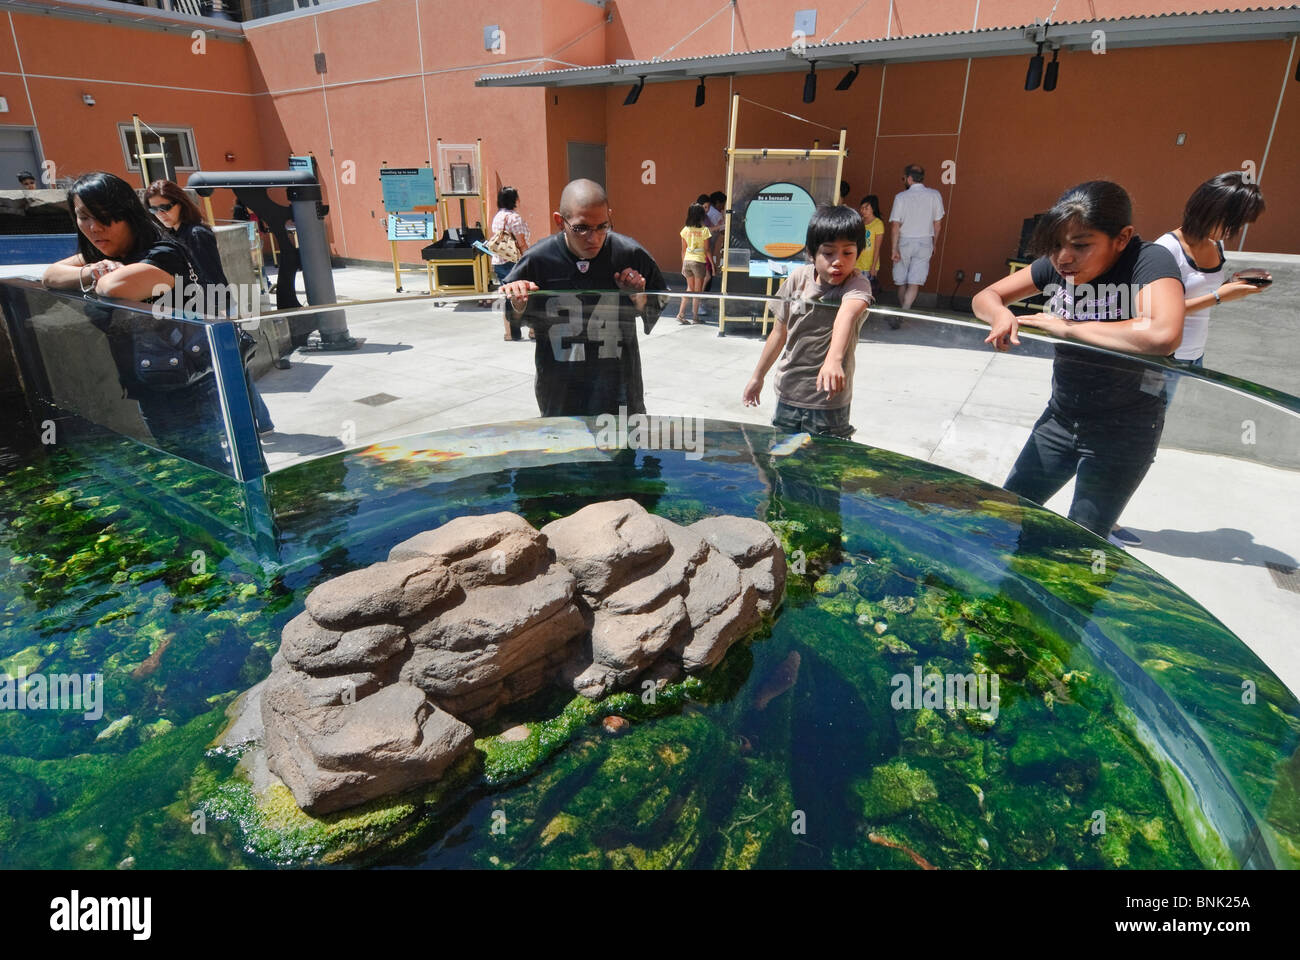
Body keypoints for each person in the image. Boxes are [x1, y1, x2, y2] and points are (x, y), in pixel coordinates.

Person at [973, 180, 1185, 541]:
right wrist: (999, 315)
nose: (1064, 257)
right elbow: (986, 295)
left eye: (1081, 245)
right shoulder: (1061, 263)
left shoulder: (1147, 260)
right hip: (1061, 417)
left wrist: (1070, 328)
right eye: (1056, 245)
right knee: (1011, 515)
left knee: (1083, 540)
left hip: (1124, 431)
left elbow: (1163, 333)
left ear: (1122, 237)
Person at [1105, 172, 1267, 547]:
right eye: (1233, 221)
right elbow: (1156, 312)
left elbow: (1206, 291)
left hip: (1189, 358)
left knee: (1143, 443)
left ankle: (1106, 516)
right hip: (1159, 362)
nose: (1236, 230)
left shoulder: (1216, 246)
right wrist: (1222, 296)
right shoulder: (1165, 250)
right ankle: (1102, 521)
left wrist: (1239, 284)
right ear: (1209, 209)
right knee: (1135, 443)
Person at [41, 171, 232, 472]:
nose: (94, 228)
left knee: (208, 471)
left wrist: (95, 272)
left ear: (128, 214)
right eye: (84, 217)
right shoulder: (107, 253)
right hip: (151, 383)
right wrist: (94, 269)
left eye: (105, 217)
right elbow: (50, 275)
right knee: (187, 470)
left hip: (188, 386)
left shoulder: (162, 253)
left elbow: (112, 288)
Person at [500, 178, 667, 417]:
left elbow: (657, 305)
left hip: (619, 395)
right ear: (560, 221)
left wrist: (638, 297)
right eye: (581, 228)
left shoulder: (630, 254)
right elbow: (513, 318)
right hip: (561, 395)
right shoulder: (538, 260)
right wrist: (517, 301)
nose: (594, 238)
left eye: (602, 226)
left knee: (622, 453)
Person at [146, 178, 274, 435]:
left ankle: (256, 423)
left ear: (180, 203)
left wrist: (219, 316)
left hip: (214, 308)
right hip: (200, 310)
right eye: (153, 209)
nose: (161, 214)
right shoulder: (172, 234)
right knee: (233, 369)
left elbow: (213, 277)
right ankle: (261, 422)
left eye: (165, 206)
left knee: (232, 369)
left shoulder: (195, 233)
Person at [742, 204, 873, 439]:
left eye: (848, 253)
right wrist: (757, 376)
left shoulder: (856, 284)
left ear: (858, 254)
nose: (838, 261)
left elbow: (846, 314)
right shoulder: (797, 279)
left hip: (828, 403)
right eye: (829, 252)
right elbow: (779, 333)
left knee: (825, 470)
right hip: (788, 395)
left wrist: (833, 361)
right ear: (812, 254)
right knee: (782, 464)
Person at [888, 164, 944, 322]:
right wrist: (935, 243)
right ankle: (904, 312)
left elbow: (895, 225)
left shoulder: (901, 197)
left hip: (904, 240)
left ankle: (901, 314)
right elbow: (937, 224)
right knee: (914, 281)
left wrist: (894, 248)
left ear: (909, 178)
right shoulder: (935, 195)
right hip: (925, 241)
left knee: (901, 281)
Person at [490, 185, 531, 339]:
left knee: (508, 296)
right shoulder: (514, 217)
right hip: (515, 262)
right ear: (514, 199)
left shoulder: (498, 216)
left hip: (499, 261)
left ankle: (509, 332)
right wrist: (529, 257)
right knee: (526, 295)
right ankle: (532, 330)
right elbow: (521, 241)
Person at [677, 202, 712, 323]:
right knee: (697, 291)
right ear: (701, 215)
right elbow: (707, 250)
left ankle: (681, 314)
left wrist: (683, 266)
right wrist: (712, 264)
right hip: (698, 262)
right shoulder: (705, 230)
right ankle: (695, 317)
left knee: (689, 288)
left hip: (687, 261)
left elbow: (683, 250)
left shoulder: (685, 230)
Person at [855, 194, 885, 285]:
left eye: (866, 208)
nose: (863, 211)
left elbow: (877, 248)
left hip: (868, 264)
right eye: (862, 208)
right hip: (856, 262)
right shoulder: (860, 221)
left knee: (865, 289)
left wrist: (873, 267)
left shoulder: (878, 224)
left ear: (873, 209)